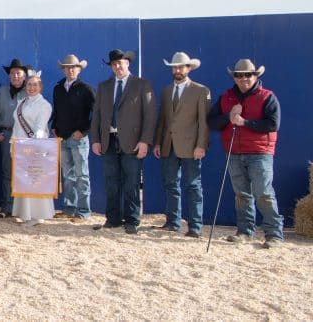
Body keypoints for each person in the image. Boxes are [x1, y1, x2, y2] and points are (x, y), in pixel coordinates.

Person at [208, 59, 283, 249]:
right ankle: (244, 231)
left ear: (255, 75)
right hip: (233, 152)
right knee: (241, 194)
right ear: (234, 77)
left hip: (259, 152)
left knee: (264, 193)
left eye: (247, 75)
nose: (243, 79)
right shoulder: (226, 98)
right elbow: (212, 122)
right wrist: (229, 116)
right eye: (239, 75)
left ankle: (274, 234)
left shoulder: (267, 97)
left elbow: (273, 124)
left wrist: (245, 122)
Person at [90, 49, 156, 235]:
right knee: (111, 182)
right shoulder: (104, 86)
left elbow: (150, 116)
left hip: (133, 141)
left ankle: (133, 219)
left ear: (128, 63)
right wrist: (96, 139)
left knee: (132, 182)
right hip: (108, 140)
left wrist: (145, 141)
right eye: (114, 64)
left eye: (120, 63)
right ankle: (113, 219)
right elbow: (97, 116)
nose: (117, 66)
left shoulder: (142, 85)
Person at [154, 52, 210, 238]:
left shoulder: (201, 90)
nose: (177, 70)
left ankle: (195, 225)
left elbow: (204, 121)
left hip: (191, 146)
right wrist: (157, 143)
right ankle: (173, 222)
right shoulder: (166, 91)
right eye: (175, 67)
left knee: (193, 185)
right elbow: (162, 120)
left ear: (189, 68)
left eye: (181, 67)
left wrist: (201, 145)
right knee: (171, 184)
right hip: (168, 145)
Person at [50, 55, 95, 223]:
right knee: (67, 175)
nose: (70, 70)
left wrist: (84, 131)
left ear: (79, 69)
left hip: (78, 138)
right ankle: (69, 208)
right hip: (63, 136)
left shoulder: (86, 89)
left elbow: (96, 112)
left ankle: (83, 212)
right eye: (67, 67)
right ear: (63, 69)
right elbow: (58, 110)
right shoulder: (58, 88)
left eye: (73, 67)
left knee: (82, 175)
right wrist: (54, 126)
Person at [12, 70, 55, 226]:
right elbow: (17, 125)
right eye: (29, 84)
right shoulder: (21, 103)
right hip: (21, 147)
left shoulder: (44, 105)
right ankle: (26, 214)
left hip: (35, 147)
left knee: (36, 181)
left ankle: (37, 216)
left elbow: (40, 126)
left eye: (35, 85)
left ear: (40, 87)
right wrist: (14, 144)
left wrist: (34, 143)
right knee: (24, 181)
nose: (32, 87)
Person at [0, 59, 31, 218]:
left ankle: (23, 208)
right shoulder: (1, 92)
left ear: (24, 75)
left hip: (24, 137)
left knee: (26, 172)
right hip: (6, 135)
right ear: (9, 76)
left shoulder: (30, 92)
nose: (15, 76)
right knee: (7, 172)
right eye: (13, 73)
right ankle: (7, 206)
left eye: (18, 73)